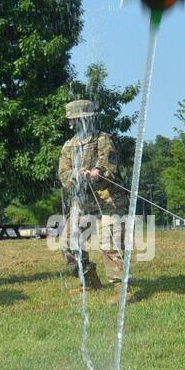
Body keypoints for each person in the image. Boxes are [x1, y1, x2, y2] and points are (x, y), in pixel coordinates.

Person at [56, 98, 132, 304]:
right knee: (68, 243)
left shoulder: (103, 139)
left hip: (109, 200)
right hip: (82, 202)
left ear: (89, 119)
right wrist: (77, 175)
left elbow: (110, 167)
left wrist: (99, 173)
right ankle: (89, 281)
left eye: (82, 119)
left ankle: (121, 289)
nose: (78, 123)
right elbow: (63, 175)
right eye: (75, 120)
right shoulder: (68, 146)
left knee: (110, 244)